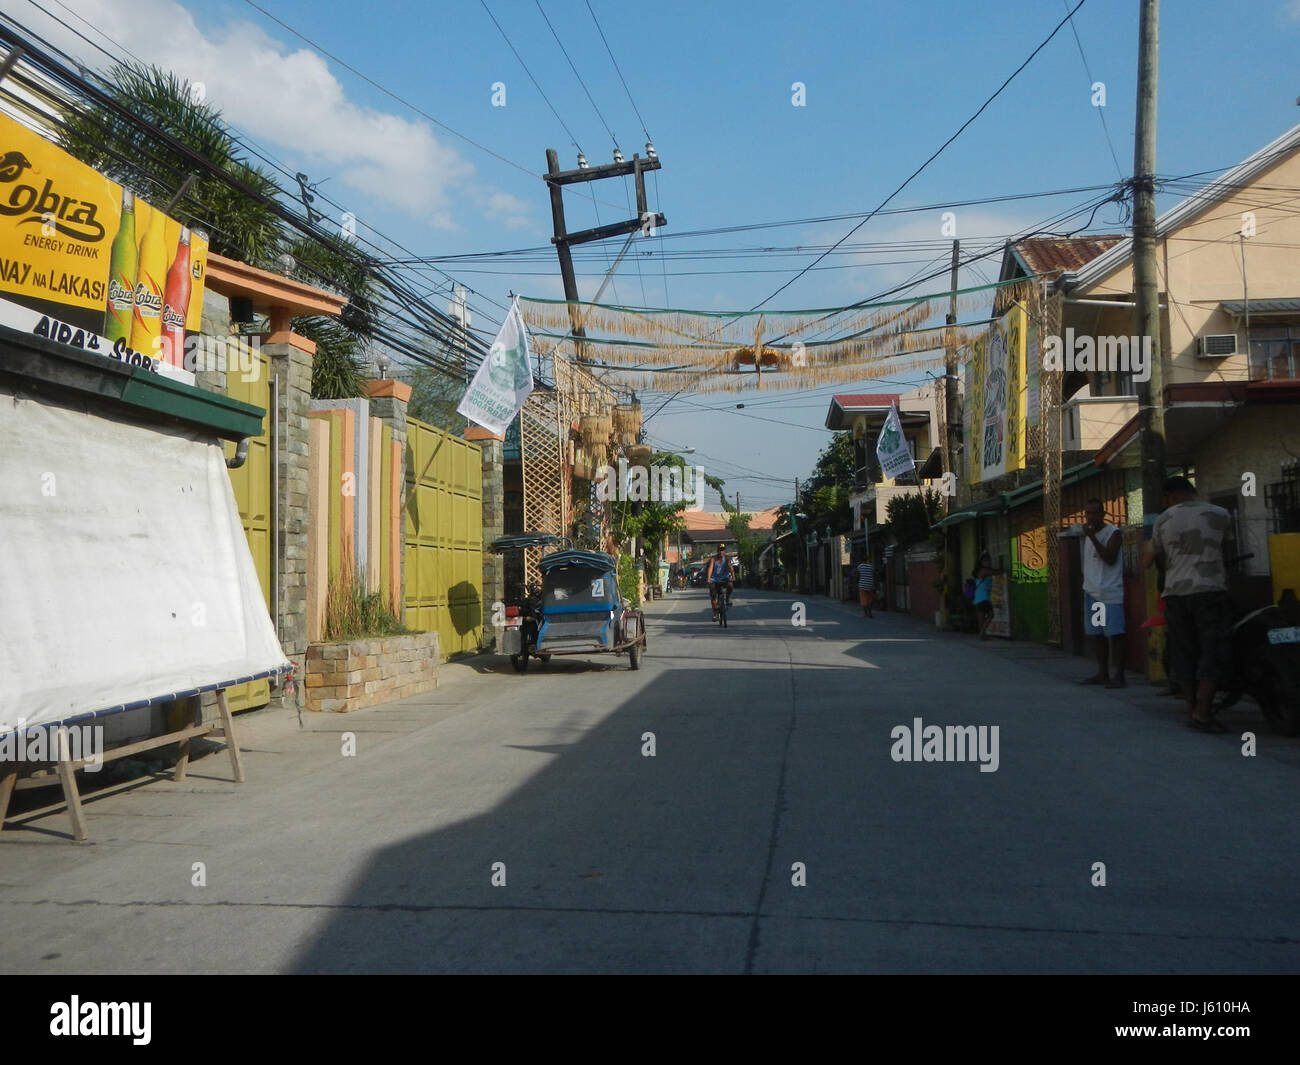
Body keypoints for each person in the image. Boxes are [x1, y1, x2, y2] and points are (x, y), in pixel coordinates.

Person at [1143, 476, 1233, 733]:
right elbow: (1226, 550)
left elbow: (1148, 561)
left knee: (1184, 651)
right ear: (1191, 492)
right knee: (1212, 650)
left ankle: (1192, 709)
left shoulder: (1163, 519)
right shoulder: (1221, 514)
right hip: (1211, 591)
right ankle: (1203, 711)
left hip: (1176, 594)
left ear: (1170, 496)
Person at [1078, 499, 1127, 688]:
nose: (1091, 517)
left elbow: (1110, 558)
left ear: (1103, 514)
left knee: (1115, 634)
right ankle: (1102, 673)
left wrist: (1092, 537)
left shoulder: (1112, 533)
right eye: (1088, 513)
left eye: (1095, 513)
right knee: (1097, 634)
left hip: (1110, 592)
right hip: (1092, 591)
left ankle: (1120, 675)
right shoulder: (1086, 535)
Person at [972, 552, 1003, 640]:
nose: (988, 562)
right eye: (986, 561)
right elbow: (998, 572)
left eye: (989, 561)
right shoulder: (984, 571)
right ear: (981, 562)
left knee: (981, 616)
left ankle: (982, 633)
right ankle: (982, 633)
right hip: (983, 596)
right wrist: (1001, 563)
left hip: (979, 596)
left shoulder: (980, 570)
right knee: (990, 614)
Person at [705, 543, 735, 620]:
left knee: (730, 585)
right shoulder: (713, 559)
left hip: (724, 578)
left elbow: (730, 567)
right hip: (714, 579)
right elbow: (710, 569)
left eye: (722, 550)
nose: (721, 552)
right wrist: (708, 578)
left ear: (724, 551)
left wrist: (733, 576)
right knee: (713, 596)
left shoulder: (727, 558)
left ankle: (728, 598)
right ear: (717, 551)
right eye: (719, 550)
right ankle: (716, 615)